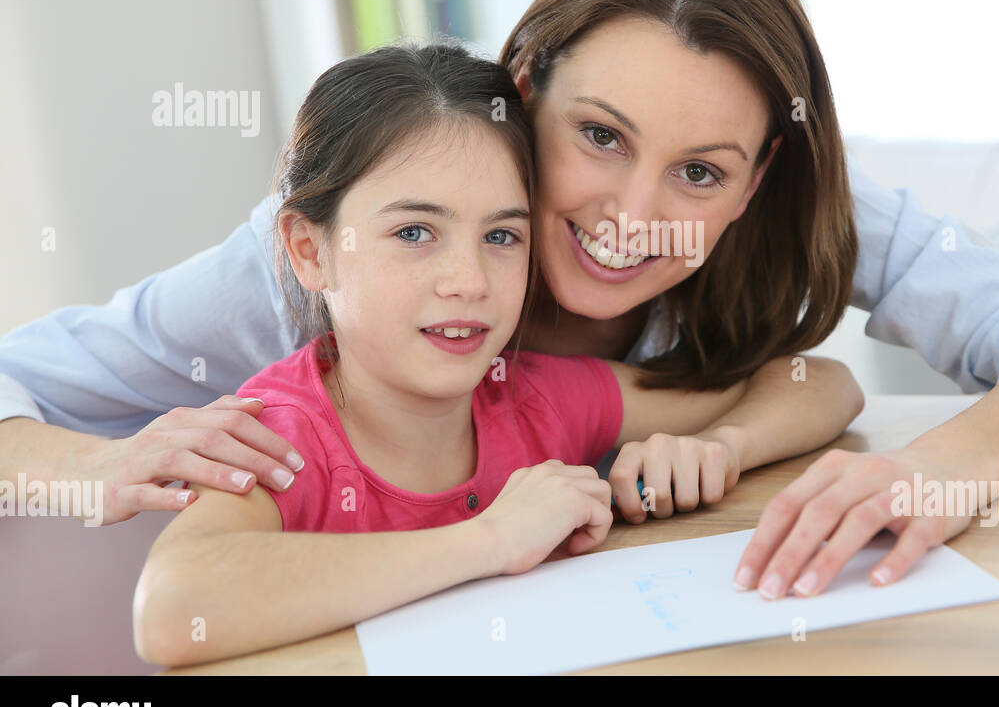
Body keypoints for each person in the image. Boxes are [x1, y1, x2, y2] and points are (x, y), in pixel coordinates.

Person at [0, 0, 999, 598]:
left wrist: (931, 473)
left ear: (755, 178)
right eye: (598, 137)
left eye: (700, 172)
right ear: (522, 92)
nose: (635, 215)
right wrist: (87, 469)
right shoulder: (313, 264)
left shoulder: (790, 205)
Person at [132, 42, 862, 666]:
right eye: (415, 232)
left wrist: (724, 447)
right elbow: (172, 607)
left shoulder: (536, 397)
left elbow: (821, 384)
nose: (468, 282)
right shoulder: (276, 436)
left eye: (503, 236)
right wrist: (487, 540)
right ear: (309, 250)